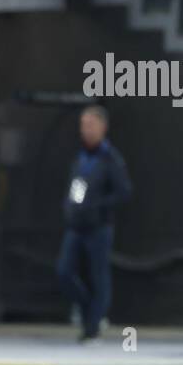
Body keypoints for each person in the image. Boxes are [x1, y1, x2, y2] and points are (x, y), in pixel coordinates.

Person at [57, 105, 132, 344]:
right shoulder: (82, 157)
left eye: (90, 125)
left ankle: (92, 328)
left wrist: (97, 206)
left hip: (99, 227)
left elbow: (123, 192)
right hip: (77, 225)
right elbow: (78, 186)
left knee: (99, 275)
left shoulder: (111, 159)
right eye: (83, 125)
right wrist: (73, 206)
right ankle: (90, 309)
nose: (86, 130)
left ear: (102, 127)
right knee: (64, 271)